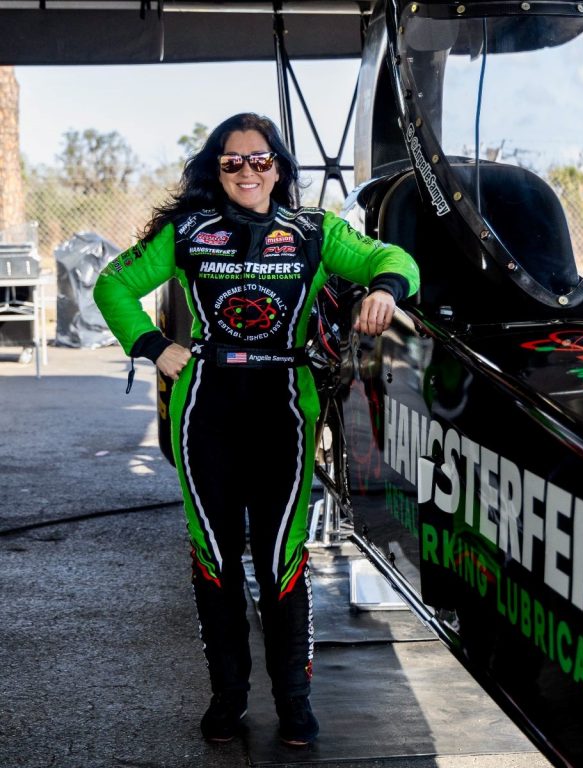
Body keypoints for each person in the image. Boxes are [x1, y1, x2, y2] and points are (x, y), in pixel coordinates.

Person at [93, 113, 420, 746]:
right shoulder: (187, 231)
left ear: (280, 167)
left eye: (260, 159)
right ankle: (228, 699)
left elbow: (392, 255)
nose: (248, 170)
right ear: (216, 169)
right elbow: (113, 284)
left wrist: (385, 289)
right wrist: (154, 345)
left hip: (285, 414)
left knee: (280, 559)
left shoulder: (315, 233)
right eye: (233, 161)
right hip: (204, 414)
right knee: (215, 556)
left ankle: (294, 703)